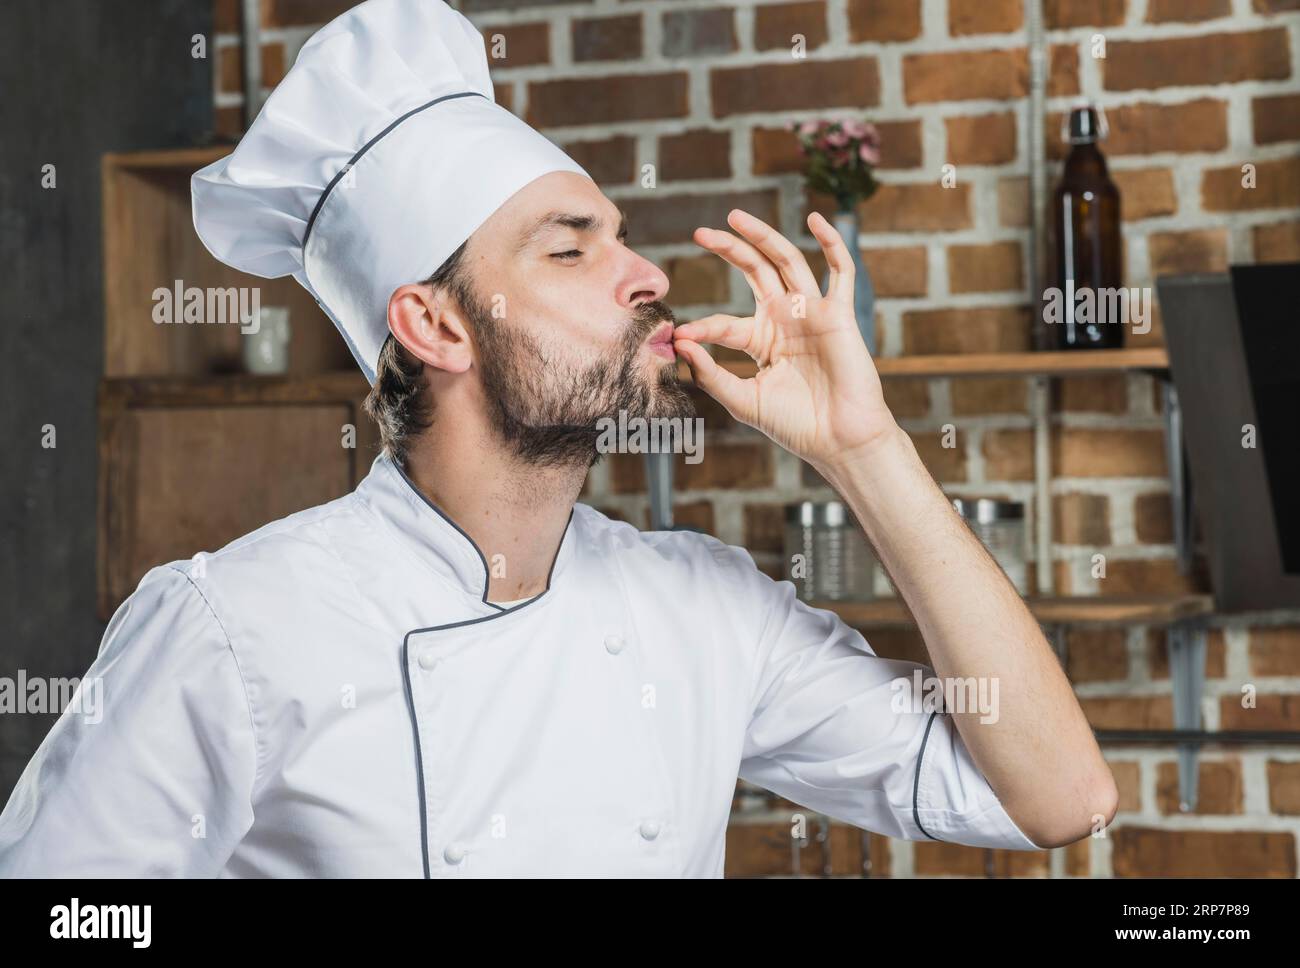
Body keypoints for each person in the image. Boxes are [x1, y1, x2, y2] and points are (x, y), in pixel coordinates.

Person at [0, 0, 1116, 877]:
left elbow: (1058, 796)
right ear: (434, 324)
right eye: (570, 250)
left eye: (619, 237)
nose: (647, 275)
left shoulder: (701, 608)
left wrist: (864, 447)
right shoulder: (232, 626)